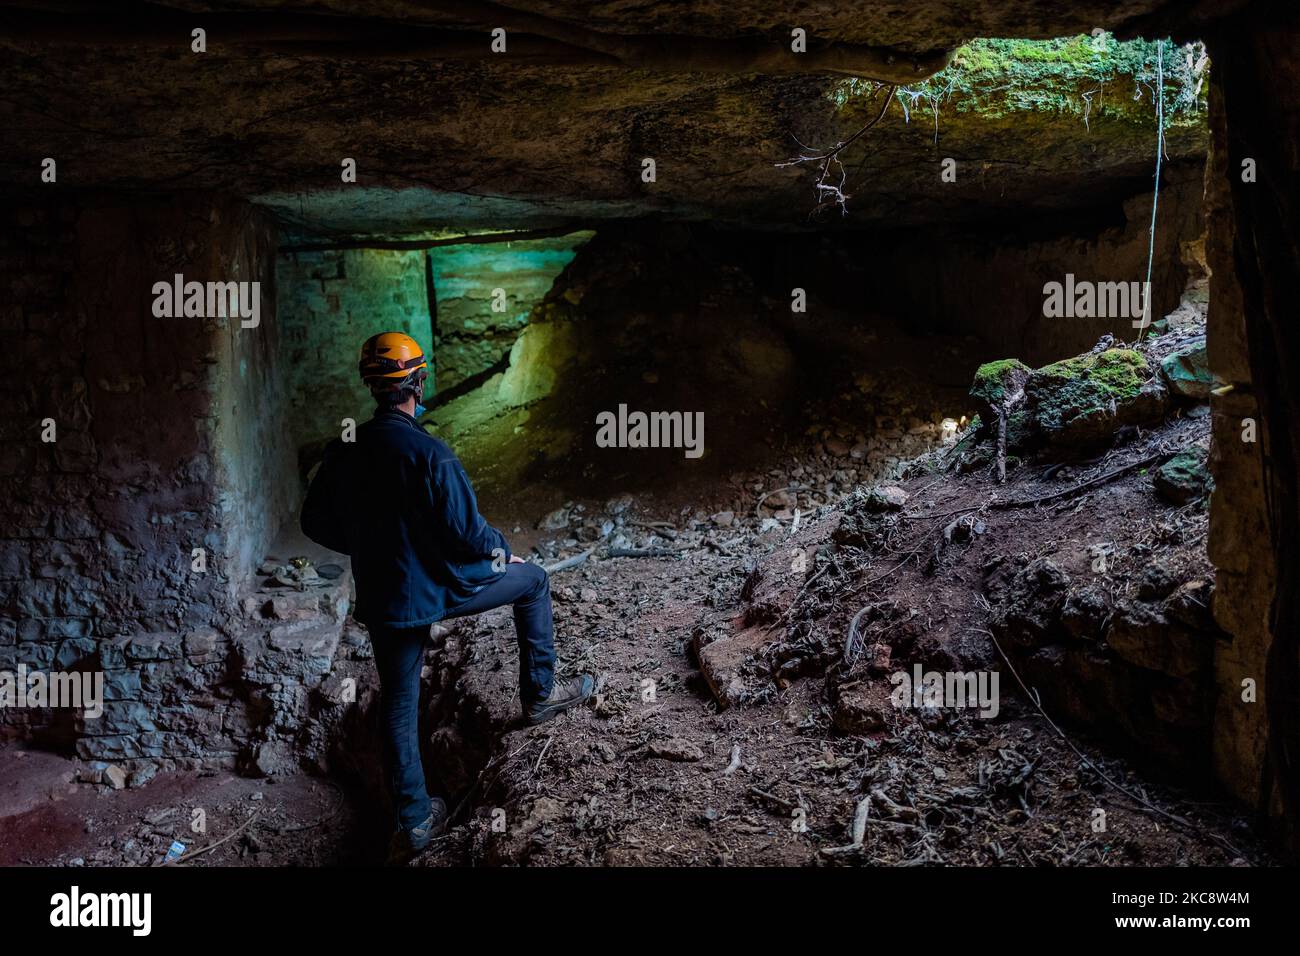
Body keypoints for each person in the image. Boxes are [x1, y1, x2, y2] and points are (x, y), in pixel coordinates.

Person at [301, 331, 594, 864]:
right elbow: (468, 534)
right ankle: (541, 695)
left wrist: (370, 544)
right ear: (417, 381)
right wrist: (506, 554)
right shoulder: (431, 453)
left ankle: (414, 821)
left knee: (398, 703)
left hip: (384, 597)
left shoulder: (344, 449)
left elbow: (314, 521)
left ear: (372, 386)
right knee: (534, 582)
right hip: (437, 589)